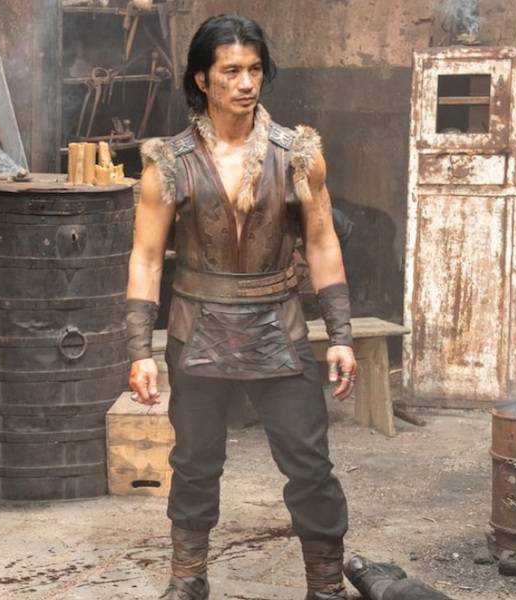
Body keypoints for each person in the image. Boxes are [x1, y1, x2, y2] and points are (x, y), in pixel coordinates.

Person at [124, 14, 357, 600]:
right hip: (197, 328)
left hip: (279, 327)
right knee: (195, 462)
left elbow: (323, 243)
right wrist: (139, 349)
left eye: (254, 69)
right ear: (202, 79)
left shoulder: (298, 155)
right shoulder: (169, 162)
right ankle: (187, 580)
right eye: (231, 71)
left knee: (309, 464)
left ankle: (326, 586)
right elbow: (147, 258)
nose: (246, 83)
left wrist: (341, 335)